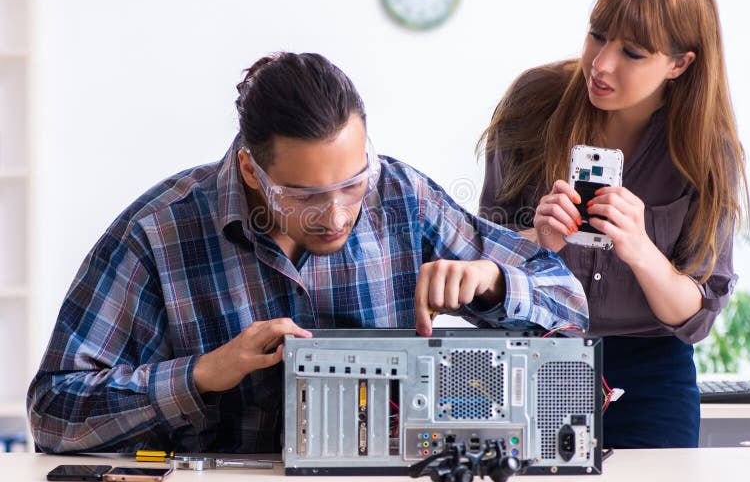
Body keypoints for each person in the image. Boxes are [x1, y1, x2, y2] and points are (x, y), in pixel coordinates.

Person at [28, 52, 588, 454]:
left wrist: (492, 279)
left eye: (352, 183)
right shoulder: (159, 232)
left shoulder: (401, 196)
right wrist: (202, 374)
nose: (338, 214)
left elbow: (569, 305)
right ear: (252, 168)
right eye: (306, 196)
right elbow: (53, 412)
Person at [479, 0, 748, 449]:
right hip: (532, 355)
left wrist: (641, 250)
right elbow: (480, 259)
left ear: (680, 63)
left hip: (651, 374)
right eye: (597, 36)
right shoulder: (533, 104)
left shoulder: (708, 151)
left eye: (633, 52)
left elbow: (698, 312)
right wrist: (536, 241)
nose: (601, 65)